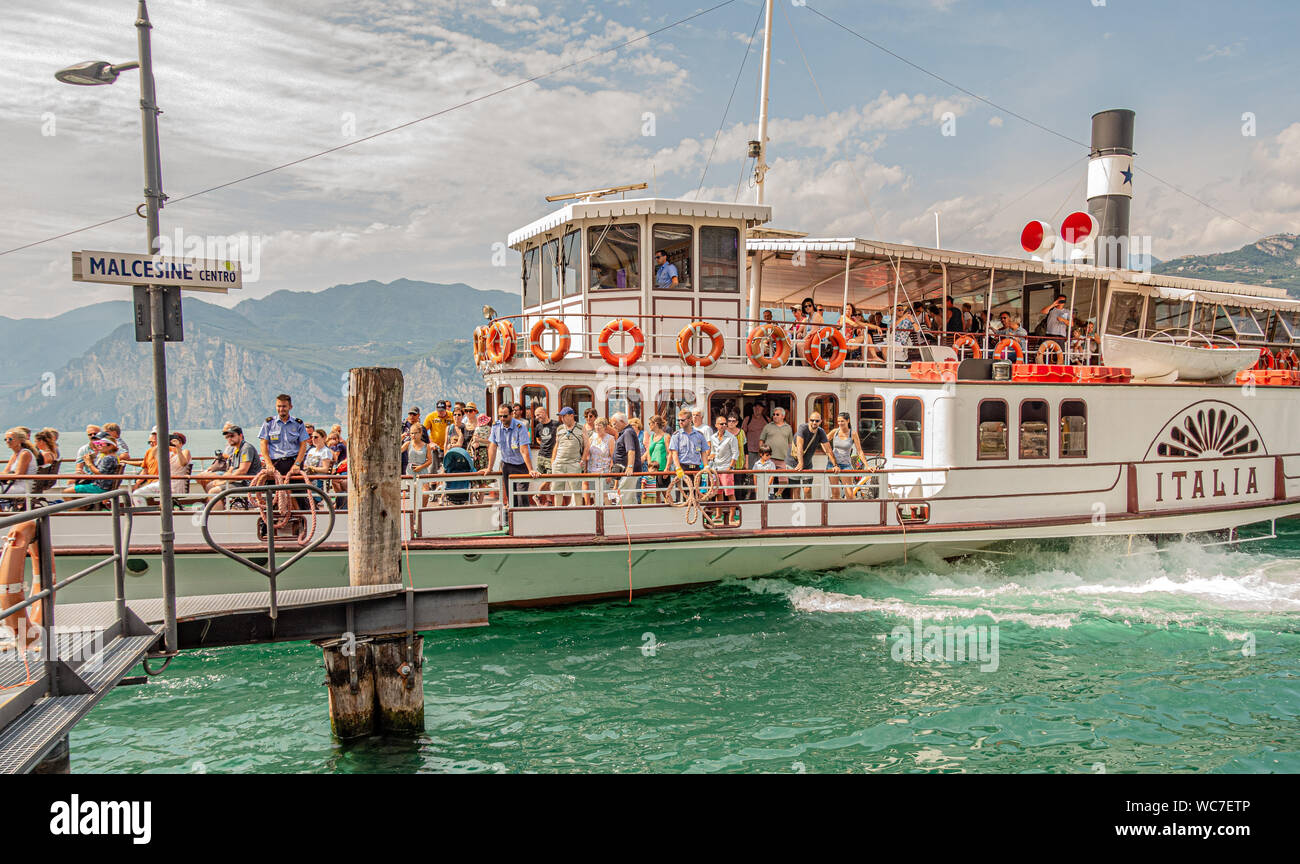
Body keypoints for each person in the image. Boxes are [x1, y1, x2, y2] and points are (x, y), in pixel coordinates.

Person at [483, 404, 537, 508]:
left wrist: (530, 470)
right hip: (506, 465)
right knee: (511, 498)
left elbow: (524, 450)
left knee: (521, 496)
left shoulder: (520, 427)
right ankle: (512, 521)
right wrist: (489, 468)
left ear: (511, 414)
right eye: (500, 416)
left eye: (505, 416)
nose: (502, 419)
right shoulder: (496, 427)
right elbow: (492, 447)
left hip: (521, 465)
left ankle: (524, 521)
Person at [259, 394, 310, 480]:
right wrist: (268, 464)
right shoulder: (269, 423)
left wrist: (297, 464)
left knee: (299, 492)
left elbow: (303, 445)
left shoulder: (298, 424)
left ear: (290, 407)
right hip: (275, 464)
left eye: (284, 406)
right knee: (272, 491)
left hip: (293, 463)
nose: (281, 409)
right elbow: (263, 443)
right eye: (279, 406)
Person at [130, 434, 190, 507]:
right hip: (164, 484)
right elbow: (154, 452)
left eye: (178, 441)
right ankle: (143, 511)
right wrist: (162, 442)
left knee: (137, 493)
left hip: (175, 486)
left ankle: (143, 513)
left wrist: (178, 448)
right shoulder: (168, 455)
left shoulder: (185, 452)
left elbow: (183, 463)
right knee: (137, 493)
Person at [792, 412, 836, 500]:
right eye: (812, 420)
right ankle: (797, 511)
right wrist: (800, 462)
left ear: (820, 421)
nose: (814, 422)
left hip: (807, 463)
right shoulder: (802, 428)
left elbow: (828, 449)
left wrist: (835, 465)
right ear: (809, 420)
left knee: (807, 490)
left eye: (817, 421)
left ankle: (809, 509)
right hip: (793, 462)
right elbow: (800, 446)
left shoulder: (821, 432)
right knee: (796, 489)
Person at [549, 407, 587, 507]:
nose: (562, 419)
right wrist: (553, 461)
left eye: (564, 416)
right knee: (558, 490)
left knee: (577, 490)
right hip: (559, 463)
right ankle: (557, 510)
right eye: (561, 417)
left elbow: (587, 445)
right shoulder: (560, 428)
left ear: (571, 416)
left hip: (574, 463)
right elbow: (556, 445)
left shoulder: (580, 428)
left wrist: (582, 460)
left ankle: (579, 510)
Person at [704, 414, 739, 525]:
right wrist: (709, 458)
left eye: (725, 423)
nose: (724, 425)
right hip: (716, 468)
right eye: (721, 424)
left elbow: (735, 454)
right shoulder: (713, 437)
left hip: (726, 469)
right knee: (718, 493)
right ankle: (718, 515)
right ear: (716, 425)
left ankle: (732, 517)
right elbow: (714, 451)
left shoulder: (731, 437)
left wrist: (730, 468)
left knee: (729, 493)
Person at [667, 410, 707, 503]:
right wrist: (678, 468)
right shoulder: (676, 435)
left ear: (689, 420)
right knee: (682, 496)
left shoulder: (699, 435)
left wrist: (706, 466)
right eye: (679, 420)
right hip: (682, 468)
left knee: (695, 496)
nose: (680, 422)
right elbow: (674, 453)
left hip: (695, 469)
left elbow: (703, 452)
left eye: (683, 420)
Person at [828, 412, 868, 499]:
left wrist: (867, 466)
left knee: (849, 494)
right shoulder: (835, 432)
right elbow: (823, 441)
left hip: (846, 465)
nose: (840, 423)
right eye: (838, 421)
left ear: (848, 421)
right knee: (835, 494)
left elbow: (859, 451)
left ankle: (851, 512)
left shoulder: (853, 434)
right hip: (832, 465)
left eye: (842, 421)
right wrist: (828, 452)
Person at [610, 412, 644, 505]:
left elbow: (631, 450)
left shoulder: (628, 432)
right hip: (625, 471)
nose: (613, 427)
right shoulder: (625, 432)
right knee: (630, 498)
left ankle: (620, 518)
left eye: (614, 424)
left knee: (623, 496)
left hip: (628, 472)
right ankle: (632, 517)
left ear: (621, 421)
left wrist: (629, 467)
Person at [760, 406, 794, 498]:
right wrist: (762, 453)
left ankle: (778, 494)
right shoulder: (768, 426)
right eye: (774, 414)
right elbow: (761, 440)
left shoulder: (788, 428)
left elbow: (790, 443)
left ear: (783, 416)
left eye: (777, 414)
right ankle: (765, 496)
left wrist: (790, 456)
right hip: (768, 458)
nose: (775, 416)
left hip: (783, 458)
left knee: (784, 481)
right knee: (767, 480)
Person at [531, 406, 559, 505]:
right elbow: (538, 439)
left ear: (544, 412)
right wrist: (543, 445)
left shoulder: (556, 424)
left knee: (549, 478)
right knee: (545, 479)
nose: (537, 417)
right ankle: (549, 501)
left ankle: (537, 495)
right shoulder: (538, 427)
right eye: (535, 416)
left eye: (538, 414)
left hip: (551, 457)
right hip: (541, 456)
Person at [642, 414, 670, 503]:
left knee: (666, 493)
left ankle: (672, 511)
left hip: (662, 469)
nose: (649, 425)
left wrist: (667, 468)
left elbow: (670, 453)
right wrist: (650, 467)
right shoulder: (651, 437)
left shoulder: (666, 436)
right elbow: (649, 453)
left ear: (656, 424)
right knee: (655, 494)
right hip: (653, 470)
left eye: (650, 423)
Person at [742, 402, 768, 467]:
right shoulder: (747, 419)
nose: (757, 409)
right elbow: (743, 434)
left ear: (763, 409)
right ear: (753, 408)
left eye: (759, 407)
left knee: (762, 469)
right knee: (750, 470)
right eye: (755, 407)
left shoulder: (767, 420)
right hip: (750, 450)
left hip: (763, 450)